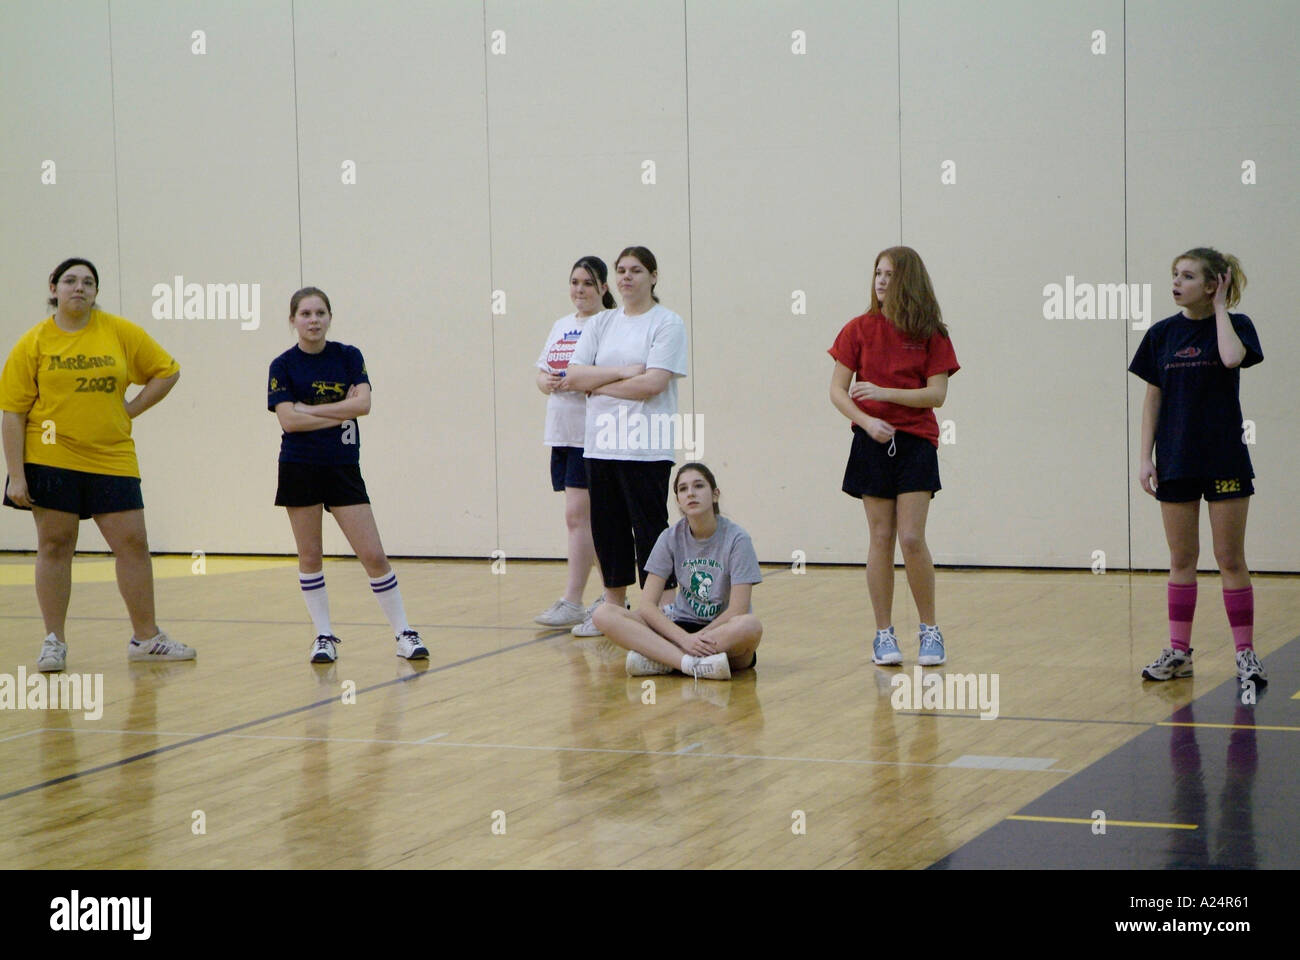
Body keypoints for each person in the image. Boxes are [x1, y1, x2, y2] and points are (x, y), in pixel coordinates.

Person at [1, 257, 194, 672]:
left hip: (111, 456)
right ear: (53, 288)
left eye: (88, 282)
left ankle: (146, 637)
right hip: (50, 456)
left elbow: (167, 371)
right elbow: (12, 412)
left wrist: (129, 410)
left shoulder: (120, 332)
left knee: (133, 544)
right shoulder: (34, 342)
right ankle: (54, 641)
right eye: (70, 281)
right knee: (56, 545)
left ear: (96, 292)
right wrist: (16, 475)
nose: (79, 288)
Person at [268, 286, 426, 663]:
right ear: (293, 321)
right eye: (305, 314)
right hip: (299, 466)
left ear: (329, 317)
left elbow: (365, 404)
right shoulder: (283, 365)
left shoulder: (348, 356)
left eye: (320, 313)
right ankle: (323, 636)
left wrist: (312, 409)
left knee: (372, 554)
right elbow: (288, 420)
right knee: (310, 555)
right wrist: (342, 408)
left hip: (342, 468)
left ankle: (404, 632)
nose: (313, 320)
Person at [1129, 248, 1265, 684]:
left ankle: (1244, 654)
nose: (1176, 282)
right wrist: (1145, 457)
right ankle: (1179, 652)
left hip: (1225, 457)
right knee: (1182, 557)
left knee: (1229, 558)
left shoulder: (1236, 326)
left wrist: (1221, 308)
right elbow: (1154, 399)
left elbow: (1230, 359)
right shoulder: (1160, 335)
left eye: (1187, 277)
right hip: (1177, 459)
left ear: (1211, 286)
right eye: (1174, 274)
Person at [828, 246, 959, 666]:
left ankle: (929, 630)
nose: (881, 281)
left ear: (908, 280)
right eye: (877, 273)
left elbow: (936, 394)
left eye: (889, 274)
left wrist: (883, 394)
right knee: (881, 538)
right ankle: (883, 634)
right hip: (872, 442)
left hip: (916, 443)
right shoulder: (857, 329)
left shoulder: (931, 333)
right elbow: (837, 391)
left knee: (911, 538)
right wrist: (867, 423)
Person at [563, 246, 688, 637]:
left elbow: (653, 383)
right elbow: (574, 376)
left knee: (650, 528)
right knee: (608, 528)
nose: (627, 277)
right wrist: (620, 374)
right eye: (621, 271)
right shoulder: (601, 323)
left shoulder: (667, 323)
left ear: (653, 277)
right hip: (600, 445)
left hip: (646, 446)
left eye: (636, 270)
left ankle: (664, 609)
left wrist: (601, 385)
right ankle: (614, 608)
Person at [595, 462, 761, 680]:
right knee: (604, 613)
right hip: (680, 627)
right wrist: (684, 639)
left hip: (721, 632)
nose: (691, 493)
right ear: (679, 501)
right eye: (683, 489)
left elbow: (737, 609)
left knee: (750, 625)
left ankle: (664, 659)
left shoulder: (737, 539)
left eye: (698, 486)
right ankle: (688, 664)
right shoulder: (670, 537)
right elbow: (647, 606)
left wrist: (698, 639)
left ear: (715, 494)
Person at [533, 256, 616, 628]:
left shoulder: (610, 324)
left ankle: (574, 600)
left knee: (578, 518)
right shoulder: (561, 325)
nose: (579, 290)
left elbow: (606, 374)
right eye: (575, 282)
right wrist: (546, 382)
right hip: (562, 432)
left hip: (592, 433)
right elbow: (541, 372)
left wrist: (578, 380)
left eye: (587, 283)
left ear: (603, 288)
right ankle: (612, 594)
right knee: (584, 520)